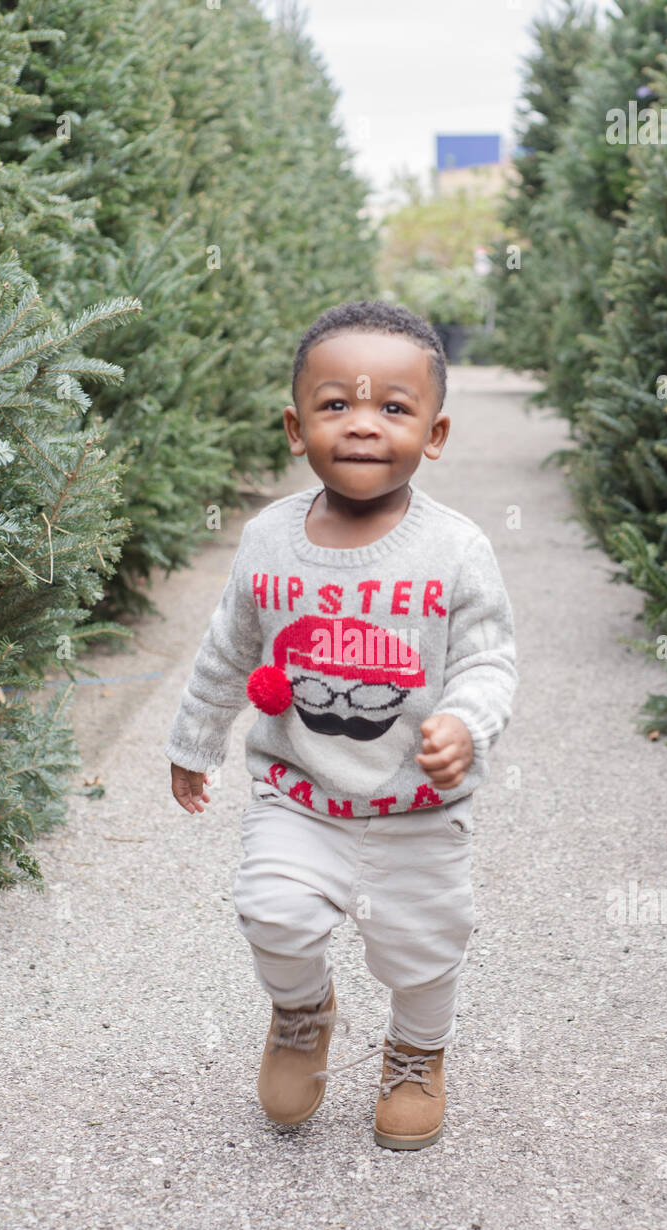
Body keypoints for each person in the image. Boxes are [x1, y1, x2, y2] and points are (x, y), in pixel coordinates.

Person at [165, 299, 518, 1150]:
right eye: (336, 405)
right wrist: (194, 740)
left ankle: (415, 1053)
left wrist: (466, 724)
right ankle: (301, 1015)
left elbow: (488, 660)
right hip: (301, 793)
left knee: (423, 947)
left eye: (393, 408)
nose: (363, 425)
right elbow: (226, 651)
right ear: (297, 427)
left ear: (433, 434)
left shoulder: (457, 549)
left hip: (417, 811)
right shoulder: (268, 540)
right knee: (272, 911)